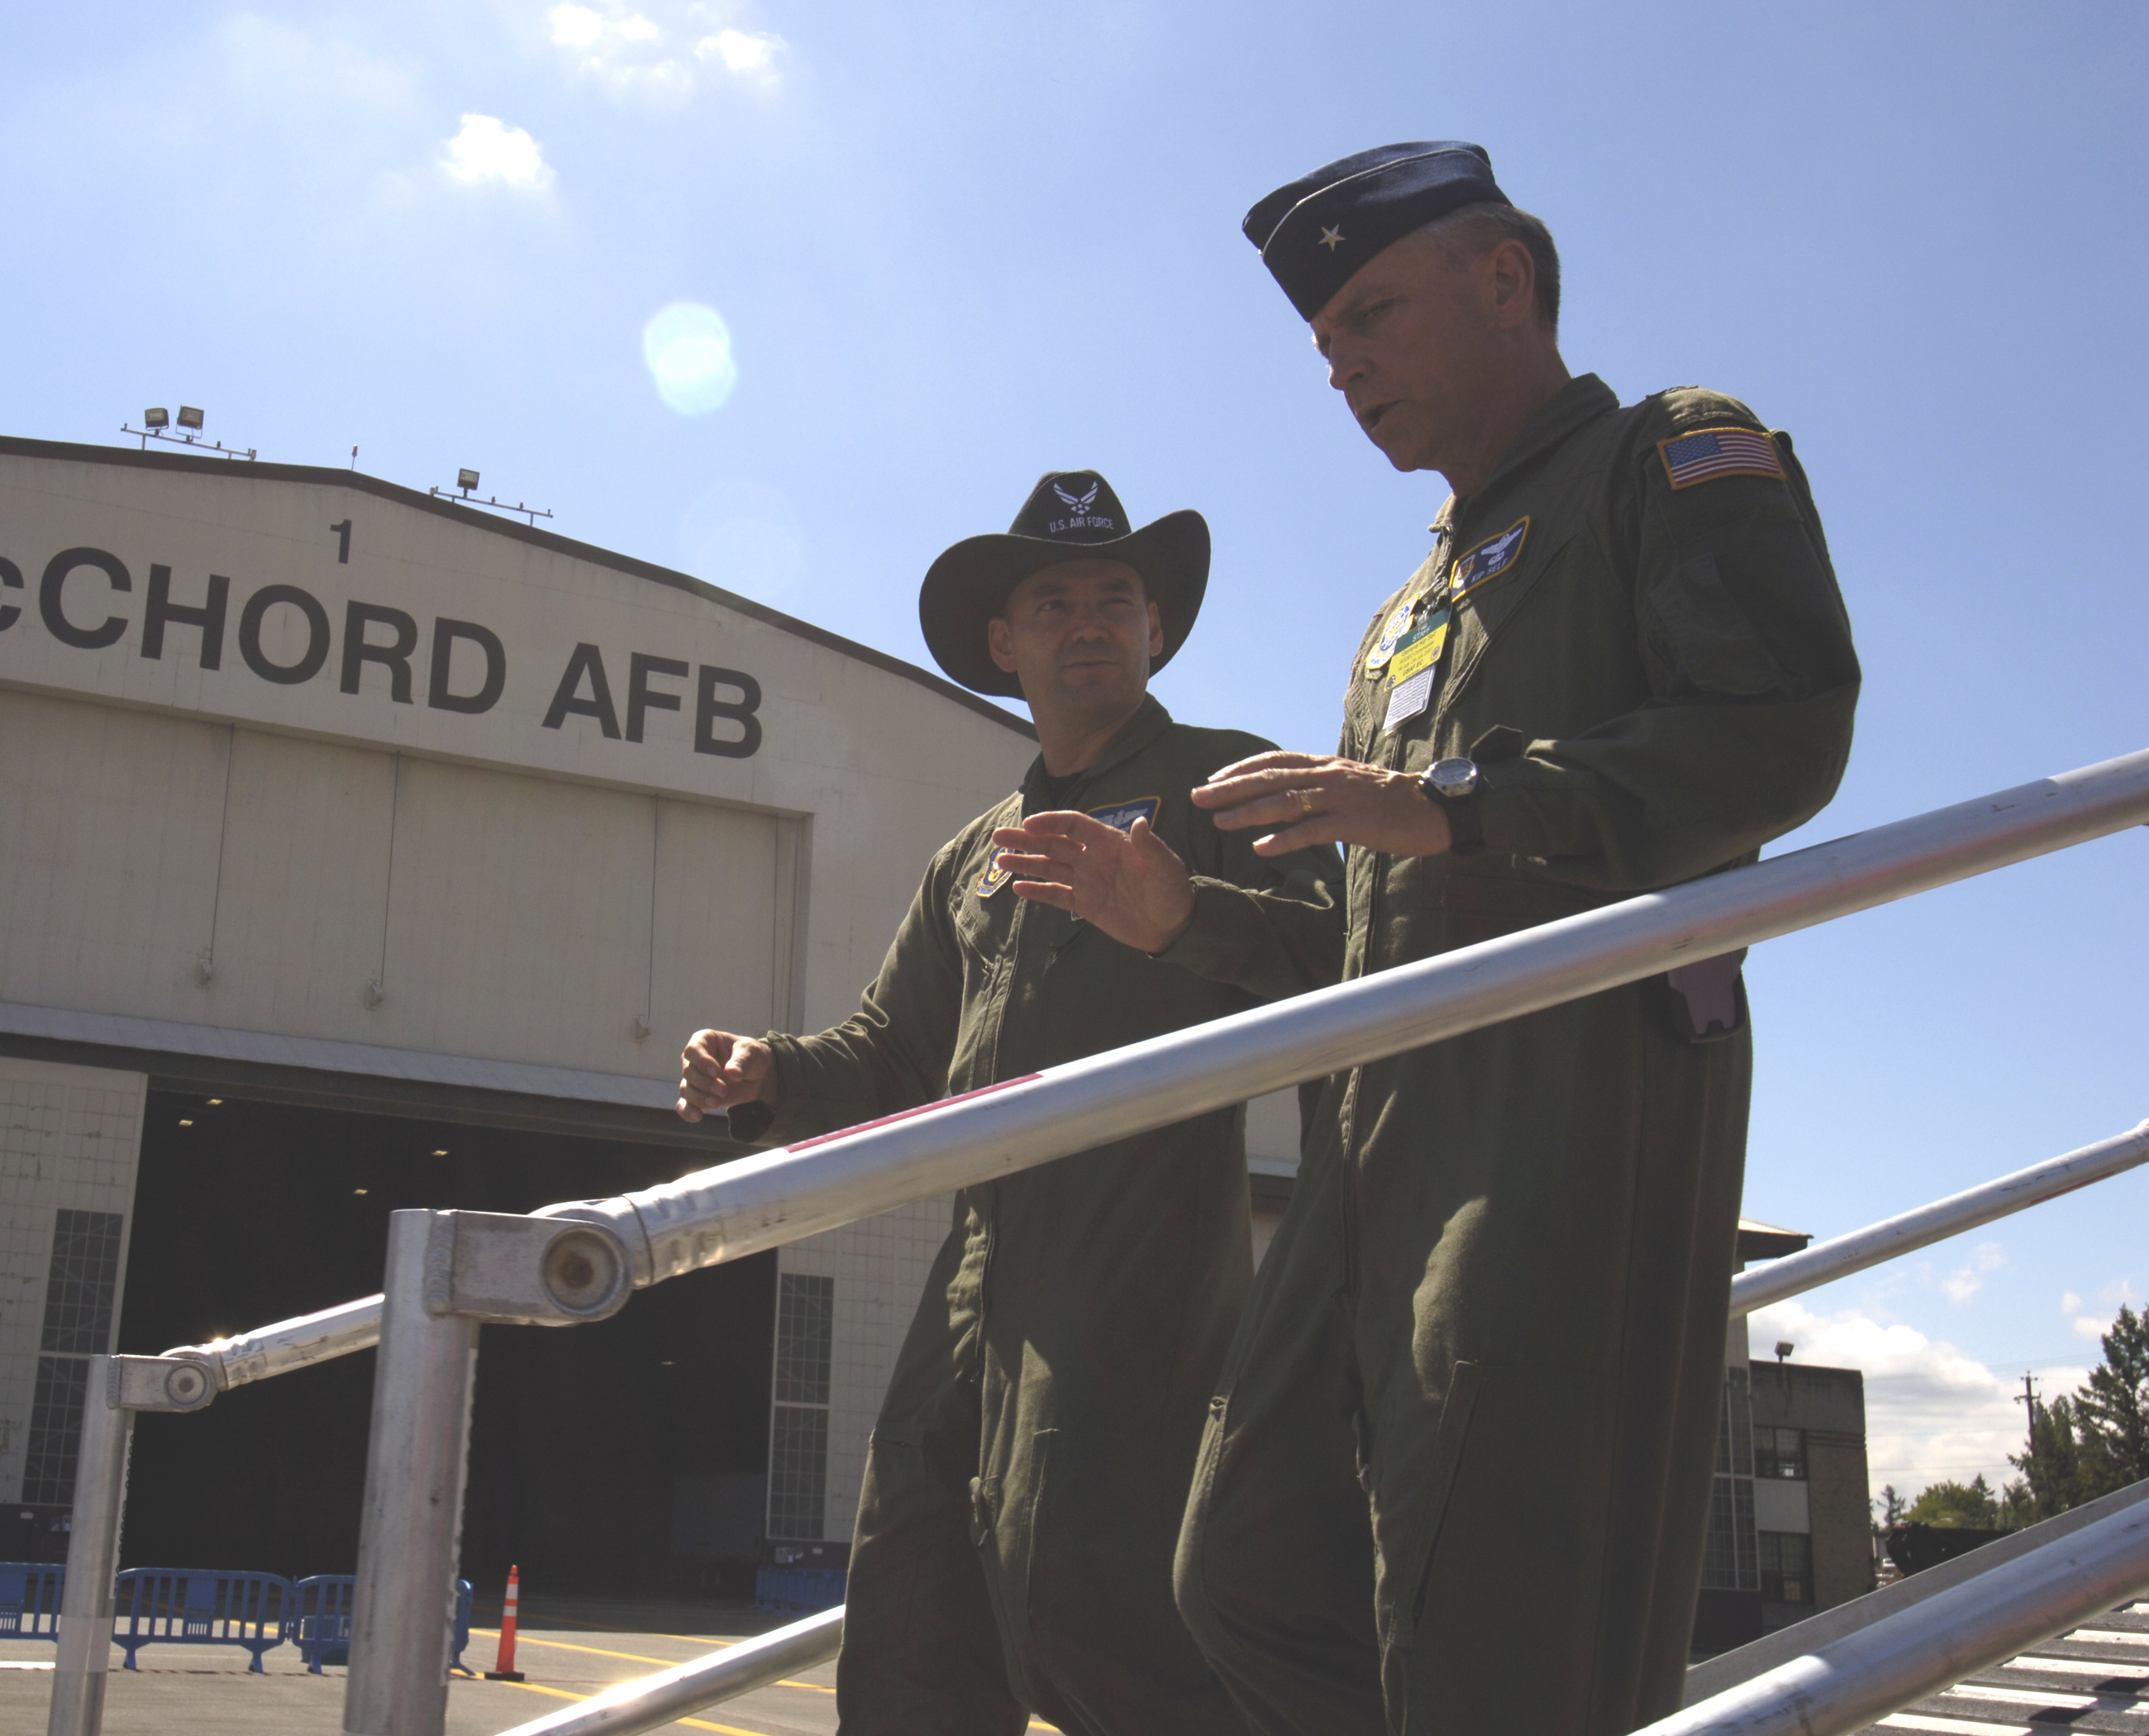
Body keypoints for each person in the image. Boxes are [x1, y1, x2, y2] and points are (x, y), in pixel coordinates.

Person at [1110, 141, 1860, 1735]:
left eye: (1372, 314)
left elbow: (1775, 734)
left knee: (1496, 1607)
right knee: (1236, 1565)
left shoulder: (1666, 460)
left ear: (1505, 280)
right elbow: (1359, 921)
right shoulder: (1399, 615)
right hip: (1376, 1120)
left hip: (1566, 1096)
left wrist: (1457, 800)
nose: (1346, 369)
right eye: (1325, 348)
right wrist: (1186, 921)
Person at [676, 470, 1343, 1736]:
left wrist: (1182, 913)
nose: (1087, 622)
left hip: (1142, 1250)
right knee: (912, 1616)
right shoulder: (973, 855)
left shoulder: (1223, 786)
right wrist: (768, 1072)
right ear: (1004, 642)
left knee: (1097, 1618)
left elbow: (1352, 966)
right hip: (975, 1266)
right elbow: (889, 1052)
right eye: (1053, 602)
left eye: (1115, 598)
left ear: (1156, 630)